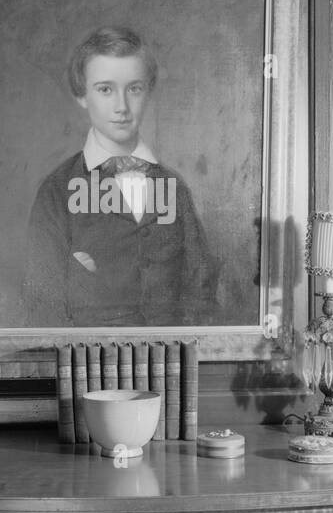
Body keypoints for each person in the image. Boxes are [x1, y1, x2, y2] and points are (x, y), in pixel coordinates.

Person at [23, 26, 218, 327]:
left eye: (134, 89)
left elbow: (201, 287)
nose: (122, 107)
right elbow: (43, 307)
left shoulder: (173, 187)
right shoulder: (57, 191)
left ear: (148, 92)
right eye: (105, 89)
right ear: (81, 95)